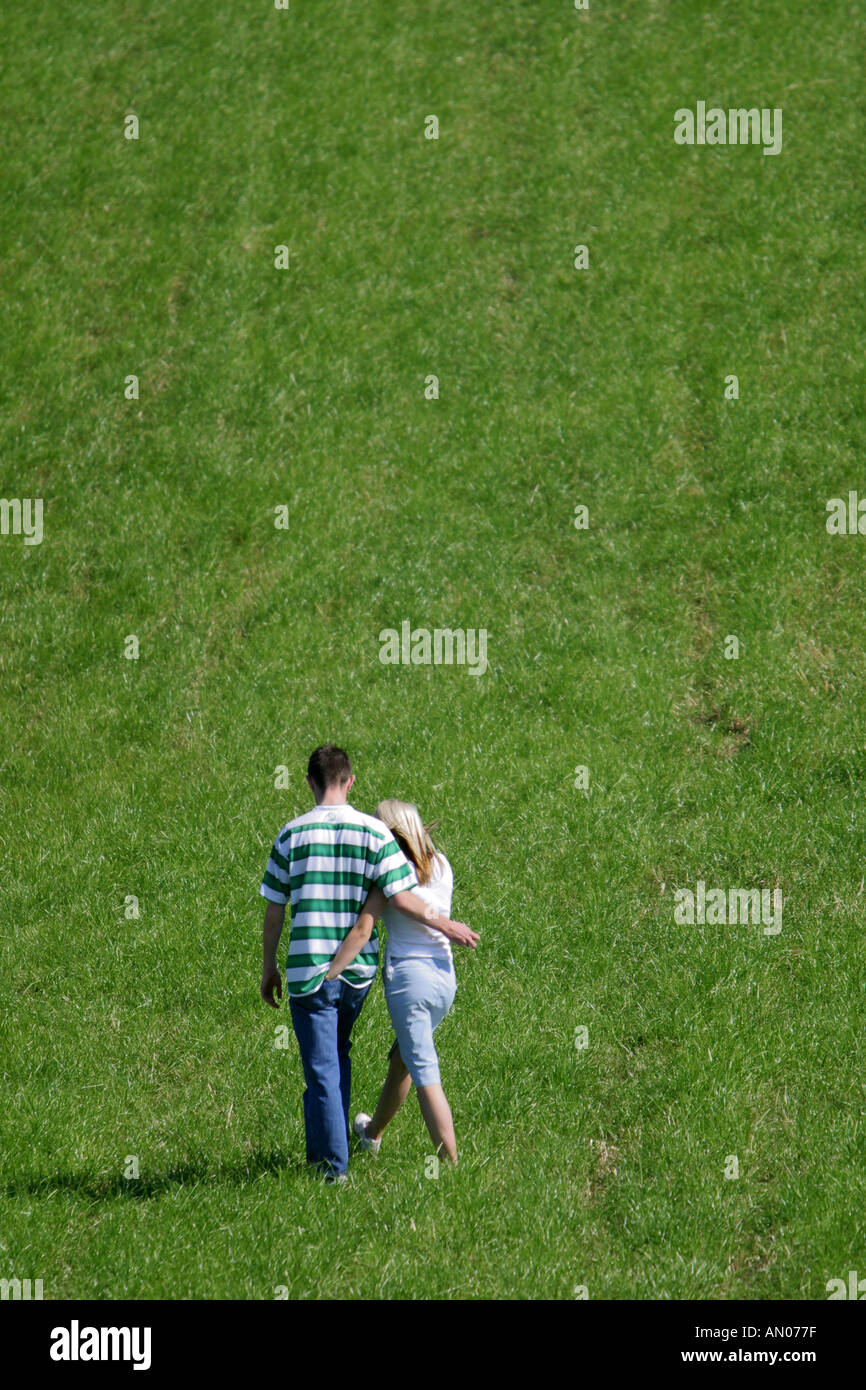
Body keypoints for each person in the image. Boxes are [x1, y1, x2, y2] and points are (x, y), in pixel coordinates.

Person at [259, 746, 477, 1182]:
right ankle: (358, 1140)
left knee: (354, 1069)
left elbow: (286, 911)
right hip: (402, 977)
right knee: (367, 1057)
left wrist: (290, 967)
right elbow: (410, 893)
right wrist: (446, 924)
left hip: (353, 975)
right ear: (350, 781)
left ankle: (340, 1169)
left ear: (309, 783)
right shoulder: (409, 850)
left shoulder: (298, 837)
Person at [325, 799, 471, 1166]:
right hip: (444, 980)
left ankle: (453, 1167)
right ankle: (372, 1133)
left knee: (425, 1073)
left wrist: (330, 973)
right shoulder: (441, 864)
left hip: (411, 982)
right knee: (402, 1060)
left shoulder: (388, 873)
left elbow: (363, 929)